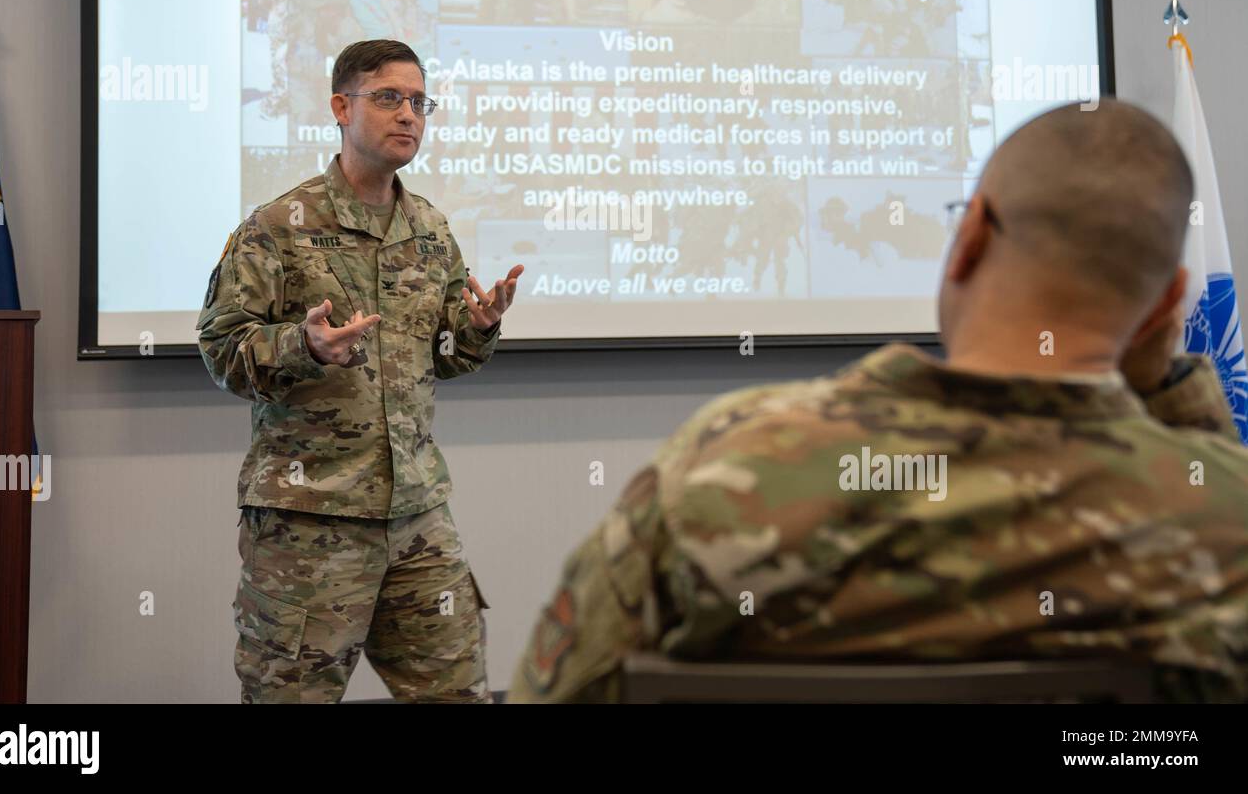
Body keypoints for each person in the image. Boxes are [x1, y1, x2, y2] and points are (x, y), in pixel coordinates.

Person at [510, 99, 1248, 703]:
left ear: (969, 237)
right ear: (1167, 306)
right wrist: (1171, 391)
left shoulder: (720, 466)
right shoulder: (1223, 521)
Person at [198, 38, 524, 703]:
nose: (408, 114)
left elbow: (444, 354)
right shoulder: (278, 226)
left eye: (418, 102)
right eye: (388, 98)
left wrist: (479, 328)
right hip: (310, 524)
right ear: (341, 107)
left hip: (417, 520)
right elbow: (222, 347)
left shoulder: (430, 227)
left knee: (458, 692)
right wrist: (303, 346)